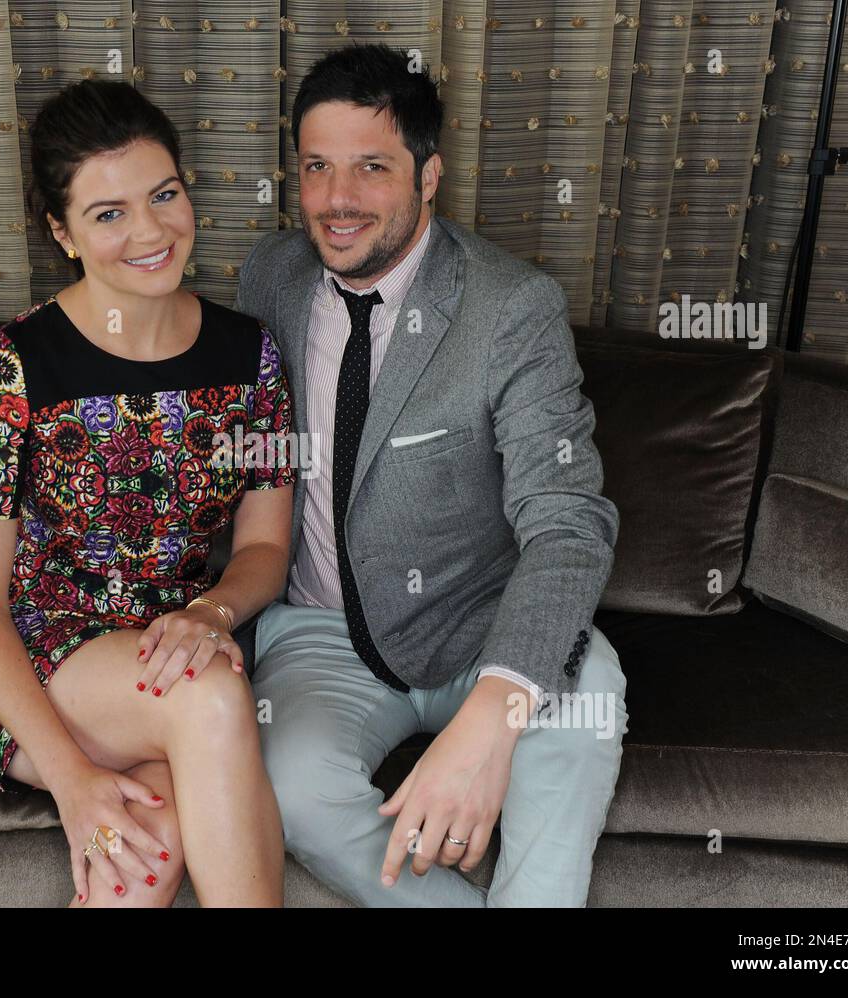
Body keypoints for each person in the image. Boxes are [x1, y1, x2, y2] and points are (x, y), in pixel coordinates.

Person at [233, 44, 628, 906]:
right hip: (318, 630)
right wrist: (49, 341)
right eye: (317, 169)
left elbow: (567, 521)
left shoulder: (512, 306)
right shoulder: (269, 277)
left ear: (430, 173)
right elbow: (182, 353)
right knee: (287, 787)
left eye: (372, 167)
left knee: (588, 689)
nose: (338, 201)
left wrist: (493, 712)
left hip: (477, 625)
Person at [0, 80, 293, 907]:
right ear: (62, 232)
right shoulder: (13, 367)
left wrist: (213, 612)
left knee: (159, 824)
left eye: (164, 194)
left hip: (173, 644)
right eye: (109, 214)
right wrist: (71, 781)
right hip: (31, 661)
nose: (151, 231)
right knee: (209, 701)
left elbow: (267, 549)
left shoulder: (253, 357)